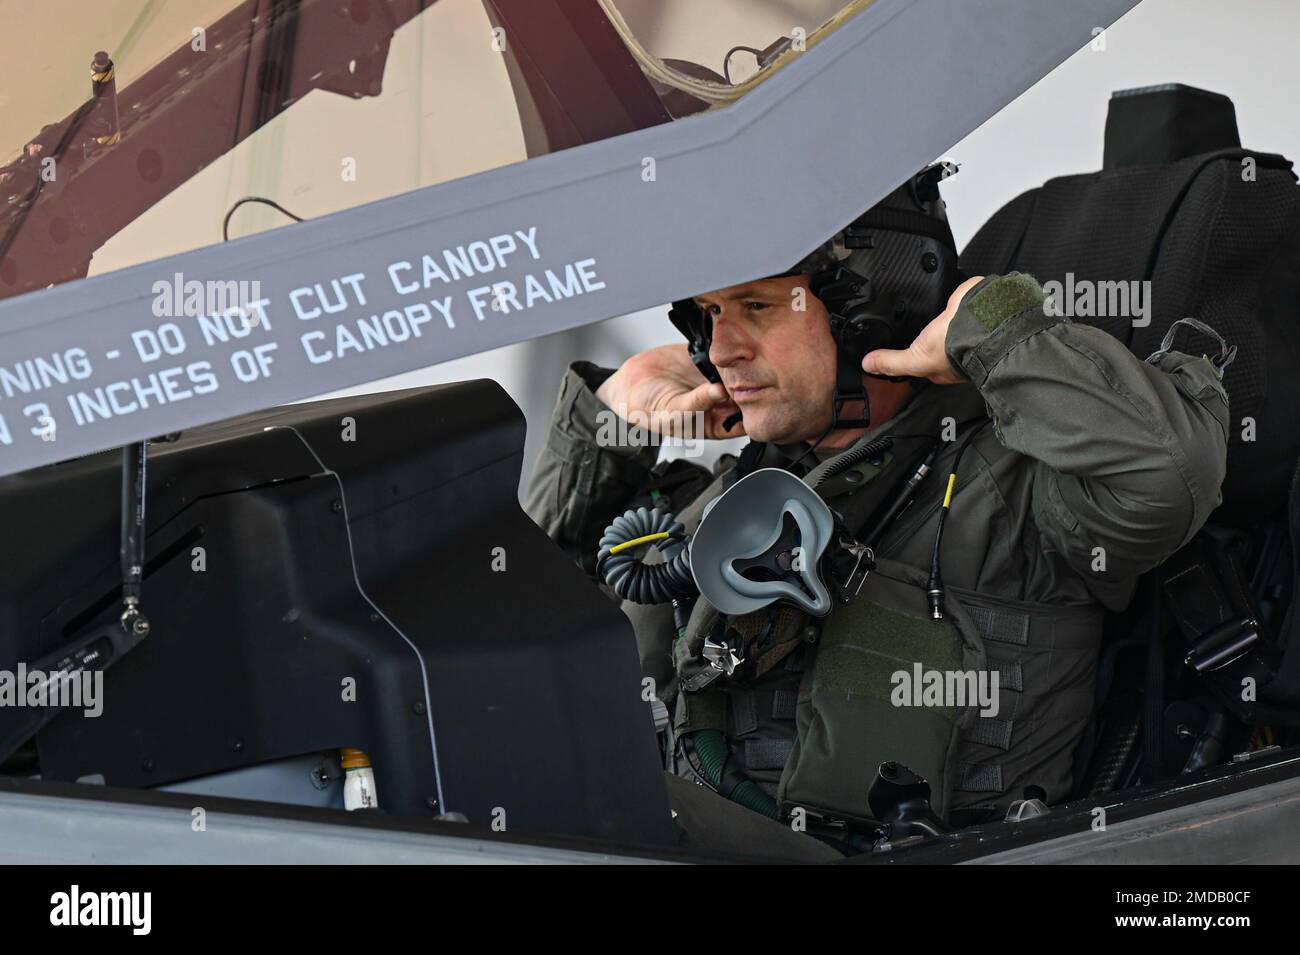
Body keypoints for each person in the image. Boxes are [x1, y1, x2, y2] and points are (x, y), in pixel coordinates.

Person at [524, 173, 1229, 861]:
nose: (723, 348)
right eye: (710, 315)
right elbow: (519, 633)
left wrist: (1000, 331)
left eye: (758, 307)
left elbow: (1164, 476)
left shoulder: (1019, 491)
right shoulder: (729, 495)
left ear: (877, 296)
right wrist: (611, 417)